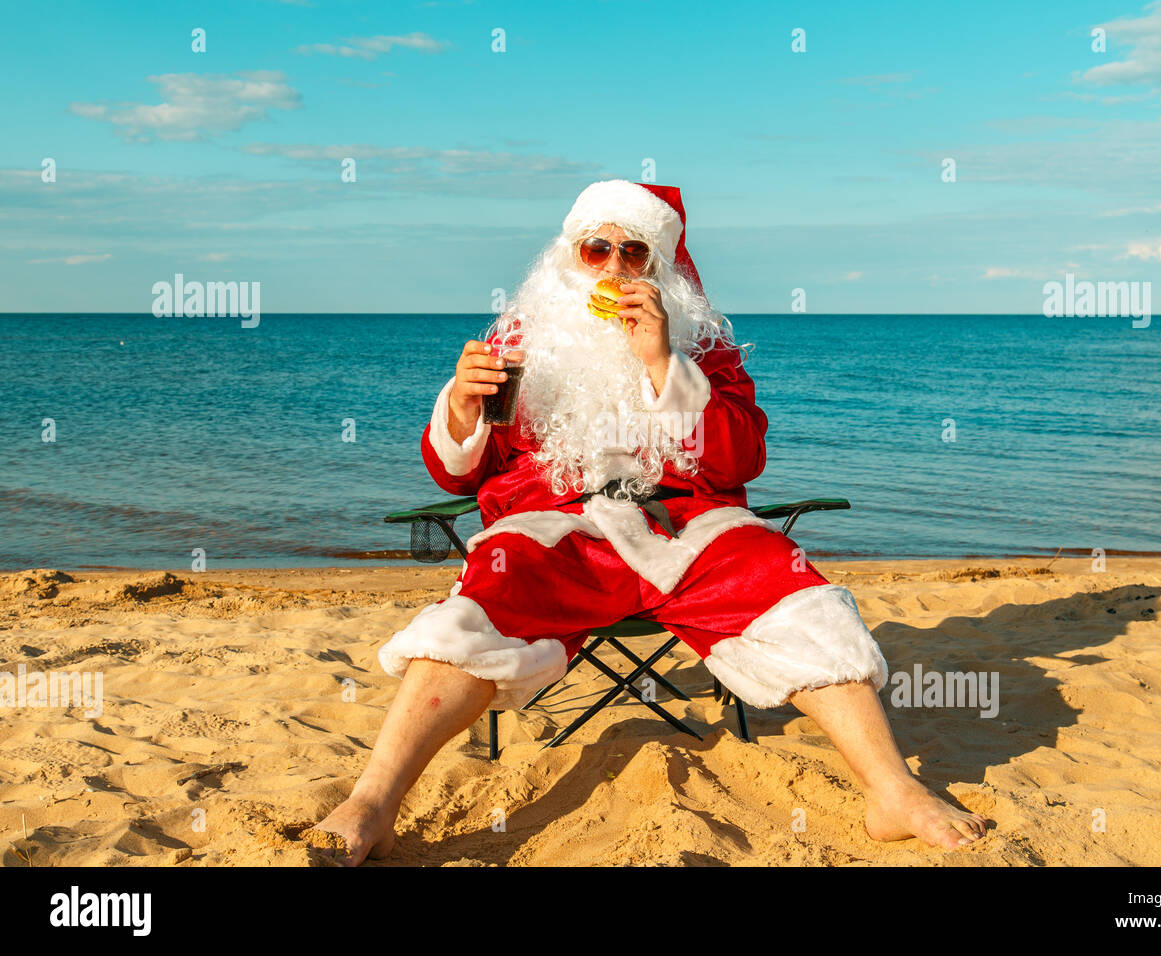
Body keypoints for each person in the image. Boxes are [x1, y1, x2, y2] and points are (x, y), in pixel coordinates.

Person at [313, 179, 990, 864]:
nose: (614, 266)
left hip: (685, 531)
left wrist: (664, 362)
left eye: (635, 251)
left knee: (794, 594)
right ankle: (373, 800)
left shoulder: (700, 347)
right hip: (557, 531)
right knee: (479, 607)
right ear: (567, 257)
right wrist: (460, 409)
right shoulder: (520, 343)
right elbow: (459, 471)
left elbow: (743, 455)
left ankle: (893, 791)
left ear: (660, 267)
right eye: (597, 247)